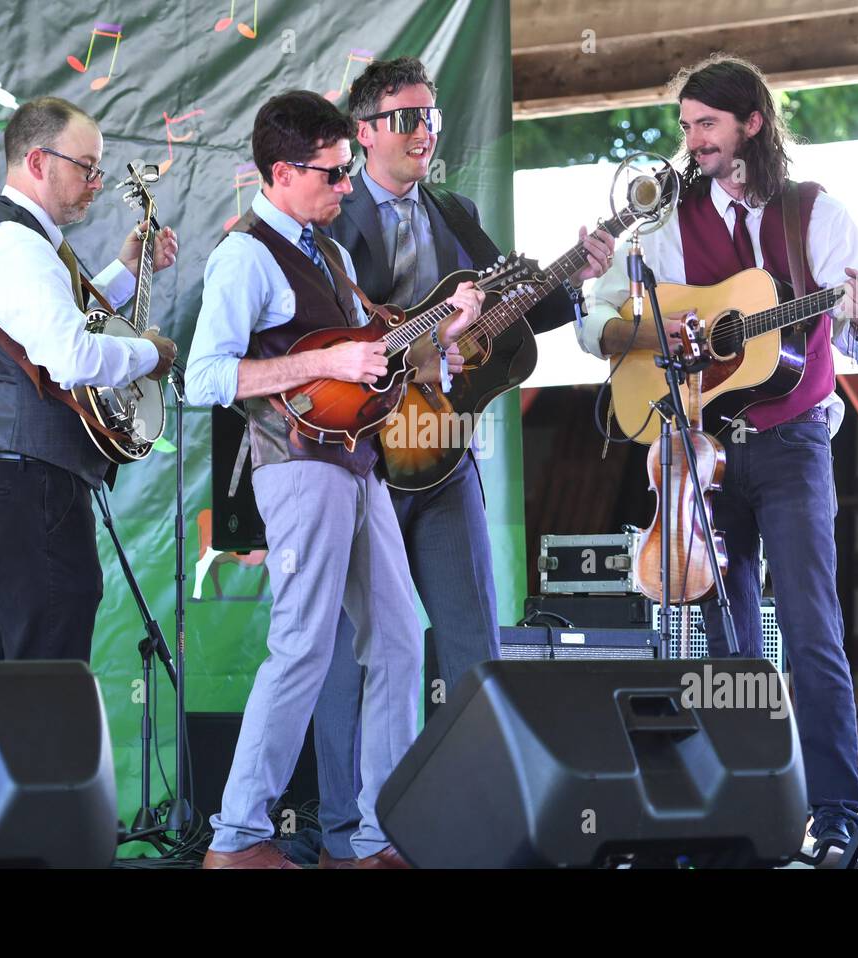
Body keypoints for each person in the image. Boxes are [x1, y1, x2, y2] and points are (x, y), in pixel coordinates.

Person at [313, 56, 616, 866]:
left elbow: (512, 313)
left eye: (432, 116)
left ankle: (473, 823)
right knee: (352, 651)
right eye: (408, 117)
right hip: (359, 460)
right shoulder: (326, 221)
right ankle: (348, 835)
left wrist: (574, 277)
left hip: (445, 455)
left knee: (473, 640)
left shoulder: (455, 208)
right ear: (365, 131)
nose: (426, 132)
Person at [579, 54, 858, 853]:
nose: (692, 140)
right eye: (685, 127)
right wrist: (656, 331)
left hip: (792, 441)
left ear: (752, 122)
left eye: (706, 123)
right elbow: (605, 319)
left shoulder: (814, 213)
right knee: (728, 639)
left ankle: (834, 812)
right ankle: (747, 808)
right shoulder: (667, 223)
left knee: (812, 629)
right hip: (702, 441)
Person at [184, 90, 483, 869]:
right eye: (333, 174)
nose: (348, 187)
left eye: (348, 171)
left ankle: (383, 836)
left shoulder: (335, 256)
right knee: (304, 646)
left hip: (357, 464)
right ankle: (239, 835)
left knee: (396, 639)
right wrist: (322, 361)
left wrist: (437, 338)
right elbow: (202, 376)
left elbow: (373, 358)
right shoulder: (244, 255)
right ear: (283, 172)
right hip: (296, 468)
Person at [0, 96, 178, 663]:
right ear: (38, 161)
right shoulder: (16, 241)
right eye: (87, 166)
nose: (96, 181)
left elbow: (48, 322)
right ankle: (33, 756)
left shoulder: (24, 239)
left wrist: (124, 273)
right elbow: (70, 356)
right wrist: (147, 353)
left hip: (3, 479)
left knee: (3, 666)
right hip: (27, 484)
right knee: (45, 670)